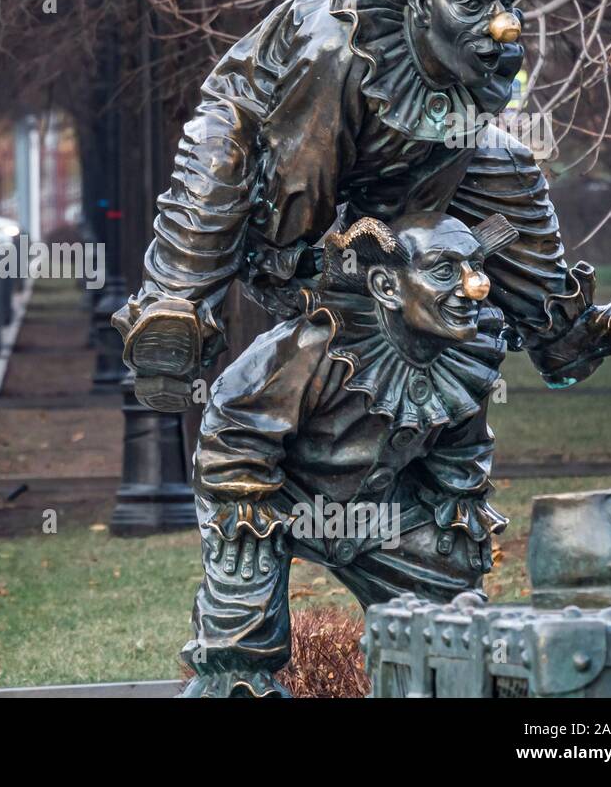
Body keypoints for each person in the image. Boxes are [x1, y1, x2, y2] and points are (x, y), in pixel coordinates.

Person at [114, 0, 611, 414]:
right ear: (420, 1)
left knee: (506, 160)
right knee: (215, 173)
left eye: (508, 5)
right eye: (477, 4)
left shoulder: (487, 62)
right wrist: (299, 277)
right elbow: (301, 176)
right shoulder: (335, 48)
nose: (506, 26)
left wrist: (408, 250)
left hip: (383, 149)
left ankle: (562, 333)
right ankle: (174, 322)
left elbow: (444, 168)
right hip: (266, 126)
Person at [182, 212, 515, 697]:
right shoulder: (315, 342)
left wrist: (456, 503)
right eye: (446, 271)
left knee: (449, 617)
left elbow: (461, 443)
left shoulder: (469, 350)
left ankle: (429, 684)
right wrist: (245, 501)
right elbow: (236, 420)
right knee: (240, 635)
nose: (475, 287)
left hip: (377, 513)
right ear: (386, 284)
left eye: (476, 267)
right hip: (272, 500)